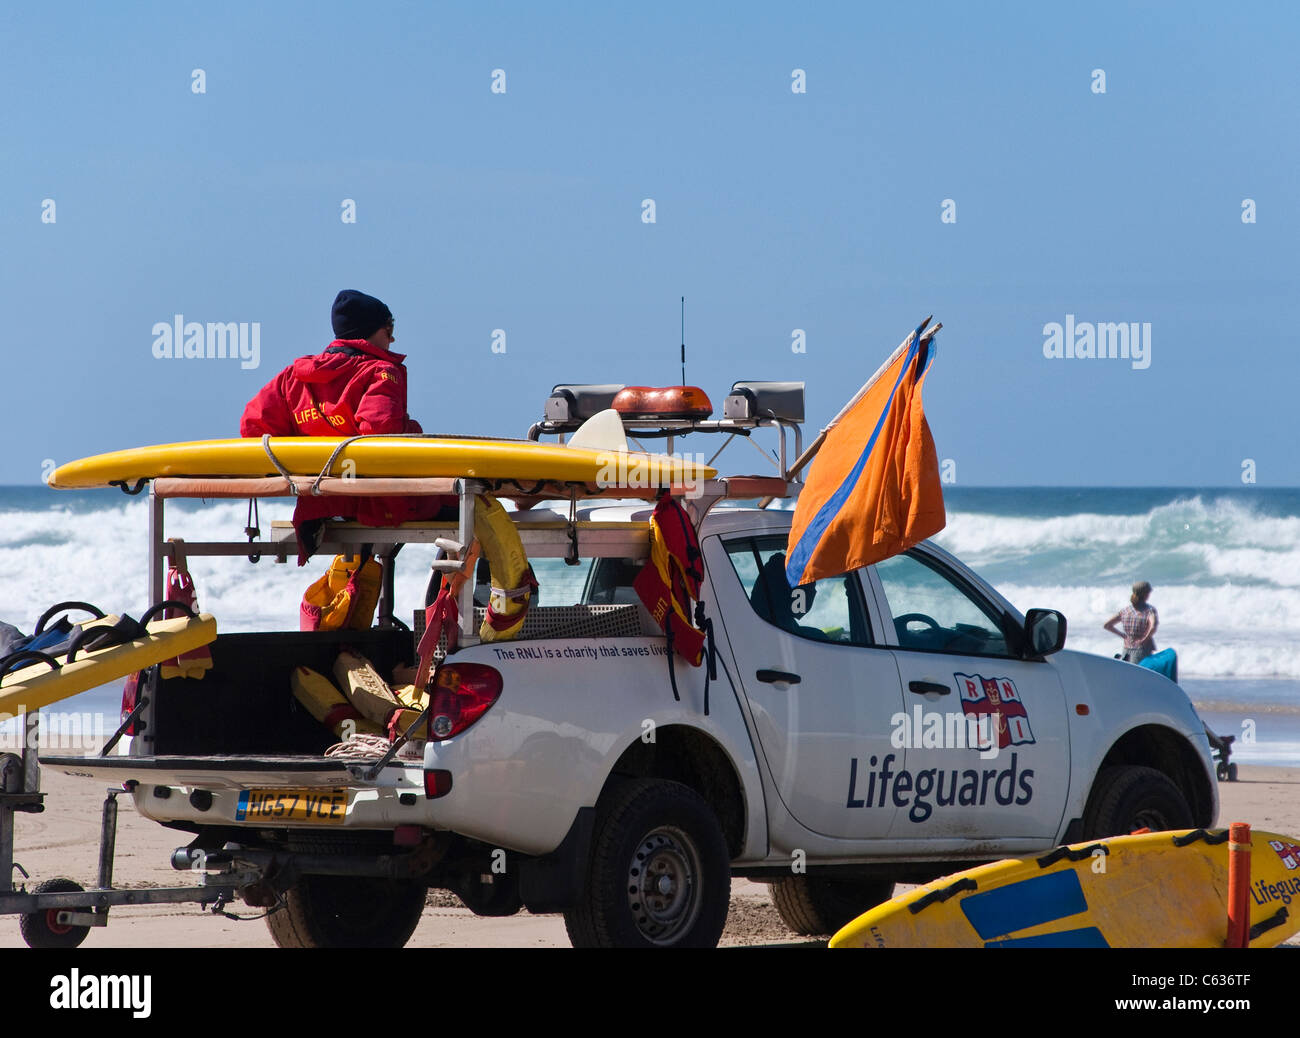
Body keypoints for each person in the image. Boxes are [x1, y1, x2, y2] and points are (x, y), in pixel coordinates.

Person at [241, 289, 454, 561]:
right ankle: (507, 594)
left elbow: (253, 427)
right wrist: (413, 431)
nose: (393, 337)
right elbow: (382, 436)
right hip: (380, 506)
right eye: (389, 327)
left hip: (317, 509)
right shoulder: (378, 372)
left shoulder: (293, 378)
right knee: (479, 509)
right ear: (369, 330)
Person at [1104, 580, 1159, 664]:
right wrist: (1144, 639)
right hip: (1142, 651)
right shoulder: (1149, 610)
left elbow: (1107, 625)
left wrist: (1122, 635)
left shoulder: (1126, 610)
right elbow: (1153, 627)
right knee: (1140, 674)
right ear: (1145, 594)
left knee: (1127, 673)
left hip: (1126, 649)